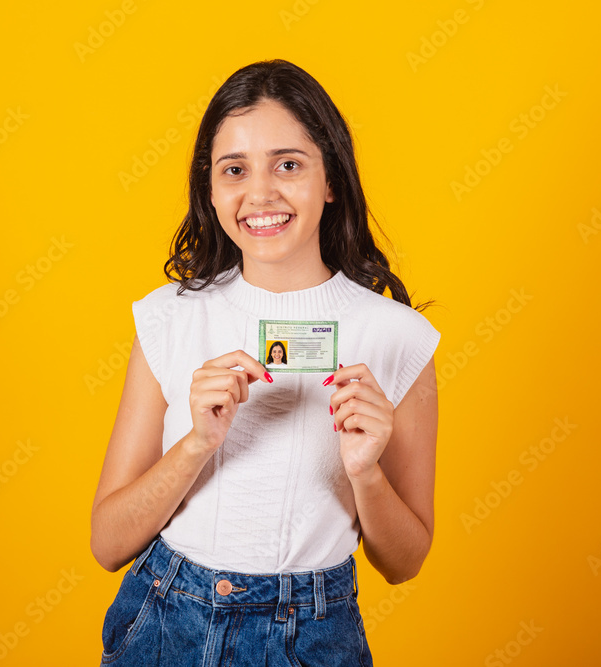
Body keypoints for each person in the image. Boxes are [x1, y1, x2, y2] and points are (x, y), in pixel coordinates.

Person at [91, 58, 441, 665]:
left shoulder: (398, 338)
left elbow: (404, 562)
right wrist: (197, 443)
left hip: (315, 632)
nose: (261, 194)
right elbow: (106, 542)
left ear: (331, 178)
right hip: (166, 623)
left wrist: (365, 472)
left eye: (288, 164)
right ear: (211, 188)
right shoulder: (169, 318)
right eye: (234, 170)